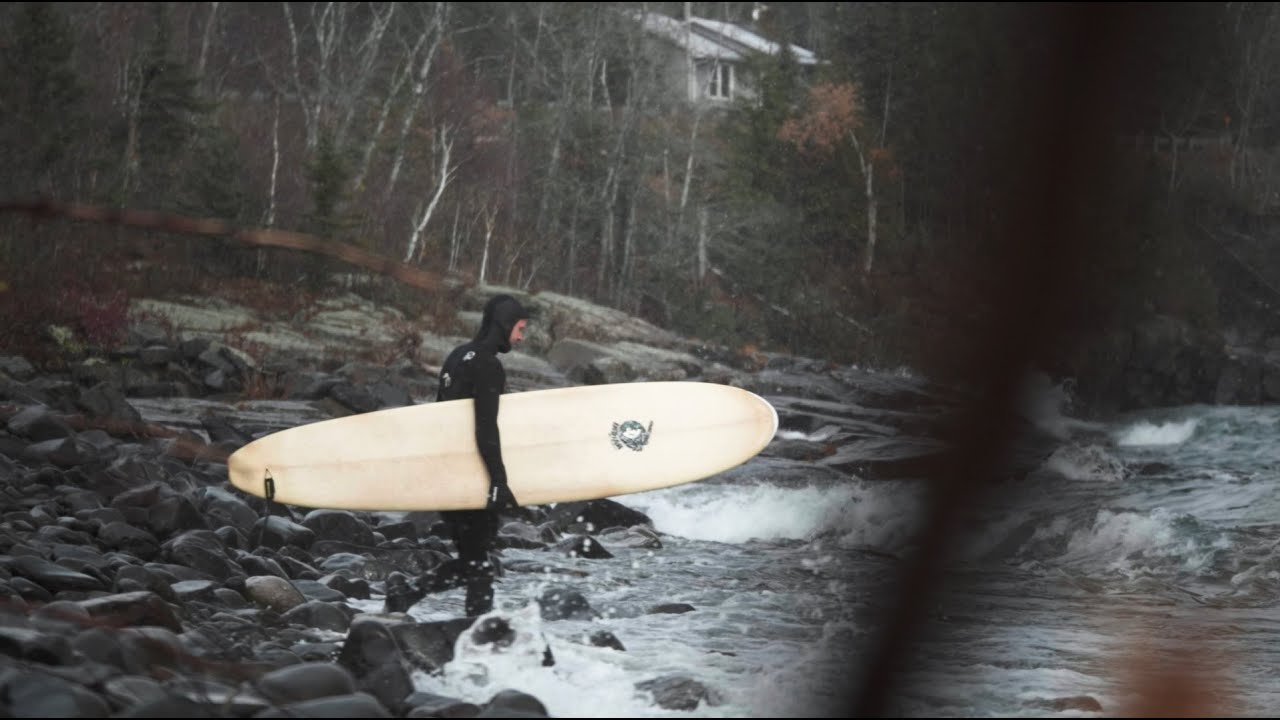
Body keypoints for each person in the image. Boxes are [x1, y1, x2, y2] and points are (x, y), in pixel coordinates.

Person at [417, 293, 530, 617]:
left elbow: (440, 418)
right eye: (520, 329)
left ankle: (408, 595)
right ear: (505, 325)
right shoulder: (488, 365)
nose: (521, 337)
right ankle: (479, 633)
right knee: (478, 566)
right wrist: (498, 481)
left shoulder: (457, 356)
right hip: (470, 477)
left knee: (474, 562)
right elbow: (486, 426)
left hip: (447, 474)